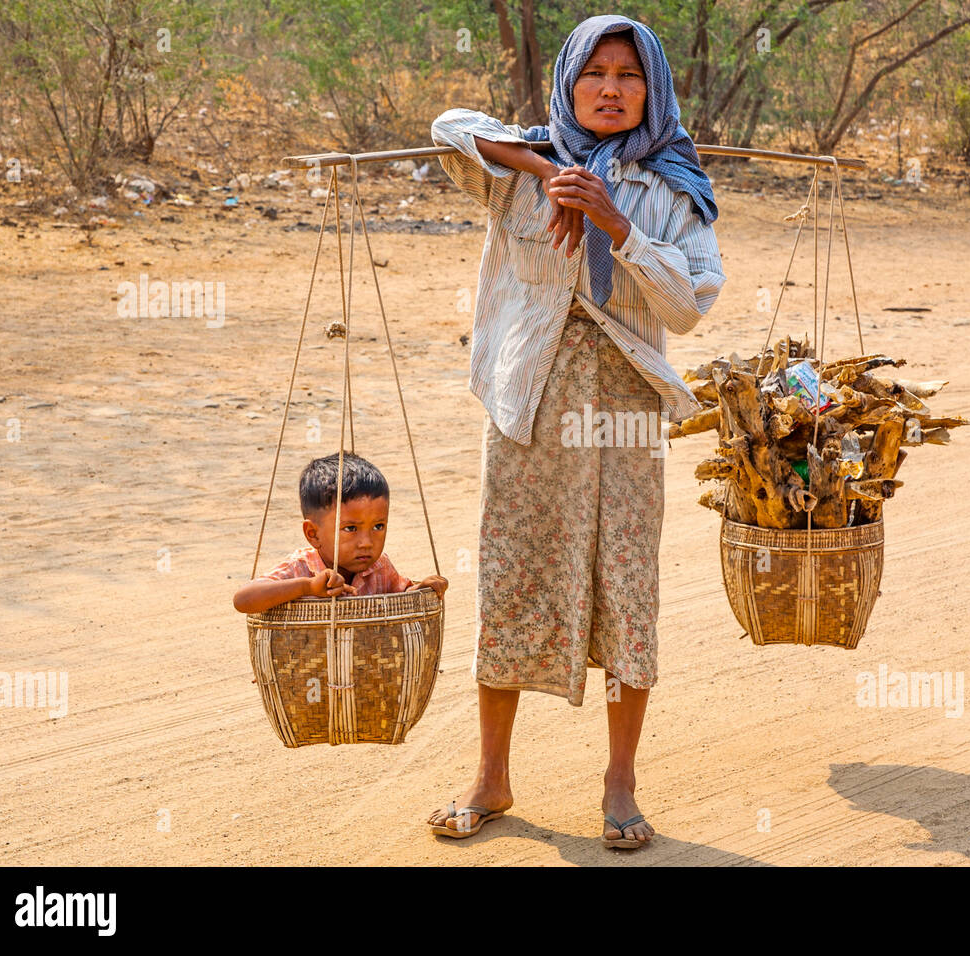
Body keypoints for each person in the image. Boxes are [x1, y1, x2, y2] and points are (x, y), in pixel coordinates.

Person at [427, 14, 725, 848]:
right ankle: (492, 777)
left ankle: (620, 783)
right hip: (531, 404)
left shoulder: (673, 187)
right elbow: (448, 128)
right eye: (594, 72)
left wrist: (616, 224)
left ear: (652, 89)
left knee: (626, 583)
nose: (610, 89)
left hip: (625, 407)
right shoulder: (515, 168)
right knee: (511, 572)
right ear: (568, 80)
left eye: (629, 76)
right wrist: (541, 163)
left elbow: (691, 304)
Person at [233, 453, 448, 614]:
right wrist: (306, 586)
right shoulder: (301, 567)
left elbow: (401, 598)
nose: (366, 543)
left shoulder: (380, 568)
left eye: (378, 527)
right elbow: (243, 600)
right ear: (312, 534)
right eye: (351, 529)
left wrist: (422, 589)